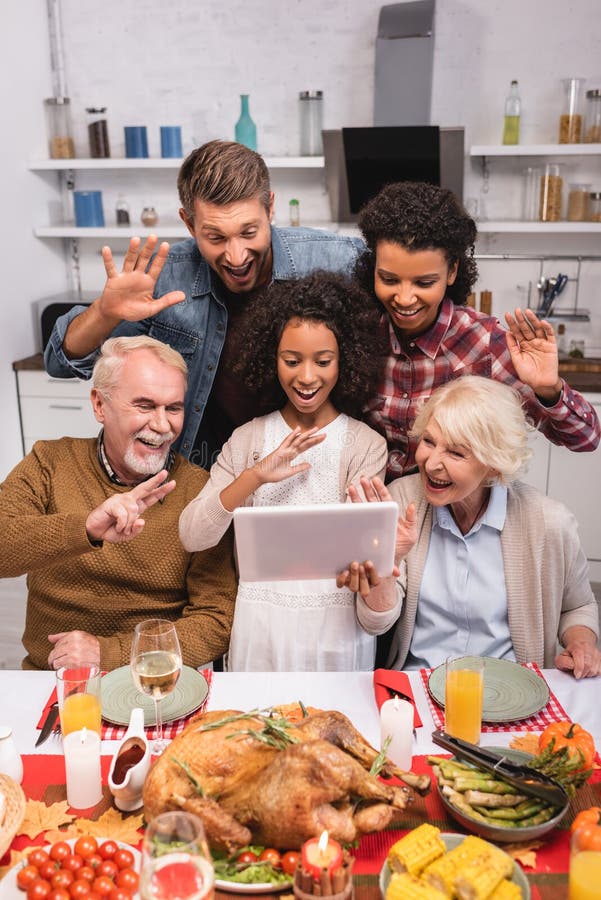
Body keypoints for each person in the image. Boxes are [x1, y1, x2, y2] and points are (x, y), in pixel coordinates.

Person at [44, 140, 364, 467]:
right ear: (189, 223)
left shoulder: (337, 258)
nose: (236, 256)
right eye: (216, 237)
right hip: (203, 472)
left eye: (249, 232)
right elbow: (60, 363)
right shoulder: (164, 276)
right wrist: (104, 313)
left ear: (270, 208)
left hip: (317, 467)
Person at [179, 271, 397, 671]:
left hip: (336, 629)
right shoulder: (248, 440)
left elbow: (362, 553)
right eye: (292, 361)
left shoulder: (365, 445)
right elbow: (192, 534)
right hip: (259, 627)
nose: (307, 377)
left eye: (323, 361)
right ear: (270, 358)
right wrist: (254, 476)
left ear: (344, 360)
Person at [0, 335, 236, 671]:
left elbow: (218, 621)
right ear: (99, 405)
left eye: (173, 408)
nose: (162, 425)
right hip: (53, 680)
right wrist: (86, 528)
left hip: (155, 680)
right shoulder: (49, 462)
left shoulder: (200, 491)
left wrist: (109, 653)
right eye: (144, 405)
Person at [342, 376, 601, 678]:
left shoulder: (550, 524)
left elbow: (578, 606)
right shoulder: (401, 500)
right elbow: (375, 623)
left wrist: (582, 643)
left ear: (493, 463)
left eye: (456, 452)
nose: (431, 462)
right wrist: (389, 563)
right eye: (428, 441)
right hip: (419, 683)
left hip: (512, 692)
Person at [354, 181, 600, 480]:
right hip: (382, 507)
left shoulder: (484, 344)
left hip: (453, 509)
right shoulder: (361, 335)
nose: (405, 298)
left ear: (452, 271)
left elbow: (585, 439)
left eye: (424, 283)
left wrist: (549, 391)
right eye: (389, 279)